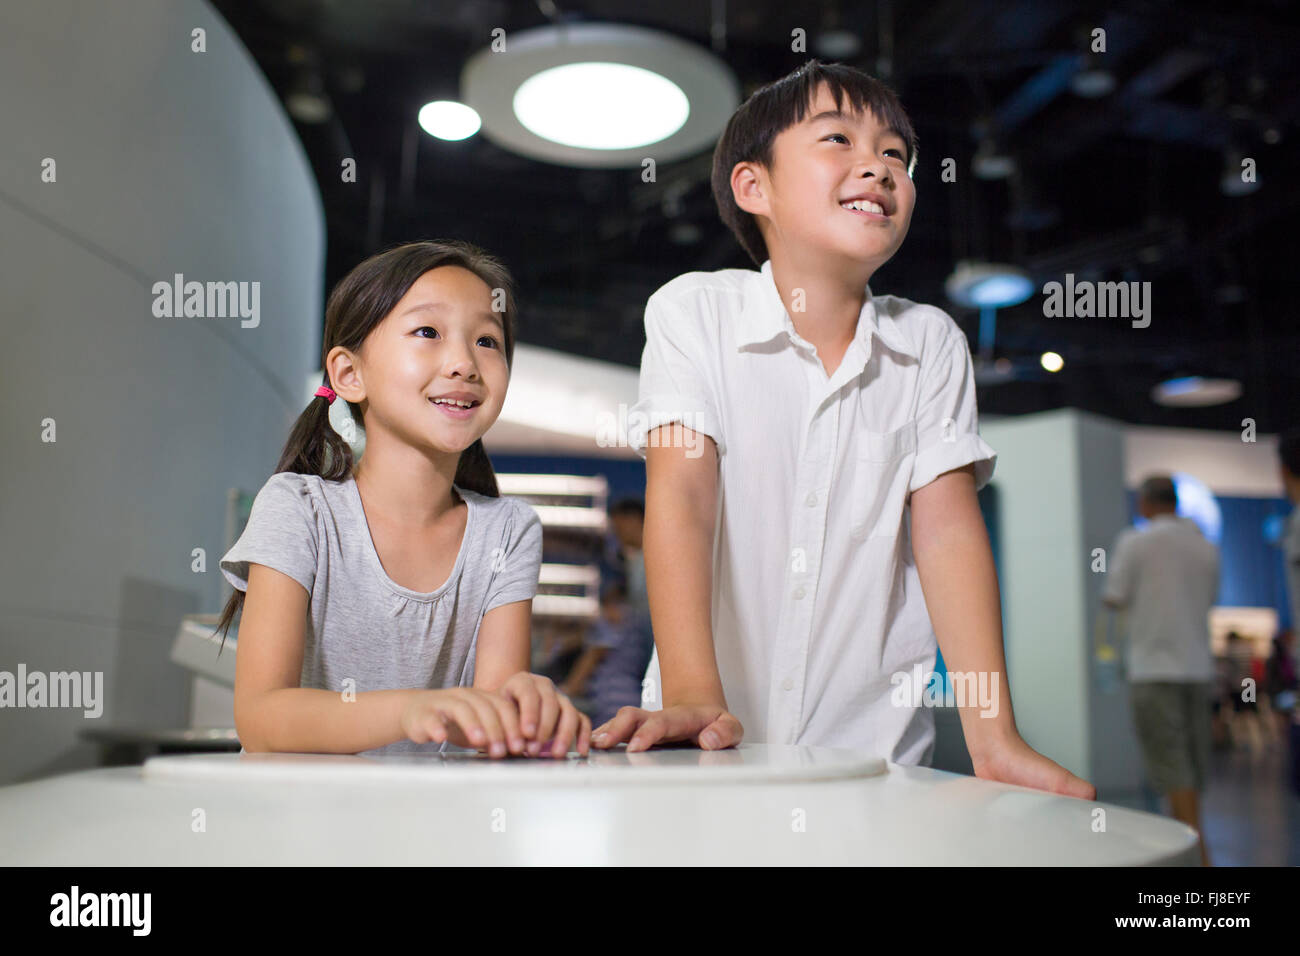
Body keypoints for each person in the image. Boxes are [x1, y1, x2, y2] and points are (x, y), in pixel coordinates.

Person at [593, 60, 1095, 800]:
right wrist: (694, 695)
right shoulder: (695, 311)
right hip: (702, 754)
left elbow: (949, 537)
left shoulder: (930, 342)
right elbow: (686, 498)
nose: (879, 166)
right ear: (752, 187)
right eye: (838, 139)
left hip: (873, 756)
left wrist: (993, 737)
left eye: (897, 154)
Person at [214, 241, 590, 759]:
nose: (464, 363)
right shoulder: (298, 508)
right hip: (298, 831)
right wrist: (412, 710)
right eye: (428, 332)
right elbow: (261, 718)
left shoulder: (509, 529)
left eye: (487, 340)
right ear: (349, 374)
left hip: (437, 830)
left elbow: (494, 716)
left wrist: (524, 710)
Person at [1102, 475, 1219, 865]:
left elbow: (1113, 598)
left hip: (1153, 670)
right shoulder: (1205, 547)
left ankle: (1198, 856)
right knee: (1191, 765)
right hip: (1198, 670)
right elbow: (1210, 599)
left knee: (1170, 766)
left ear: (1146, 504)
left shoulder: (1135, 543)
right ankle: (1196, 848)